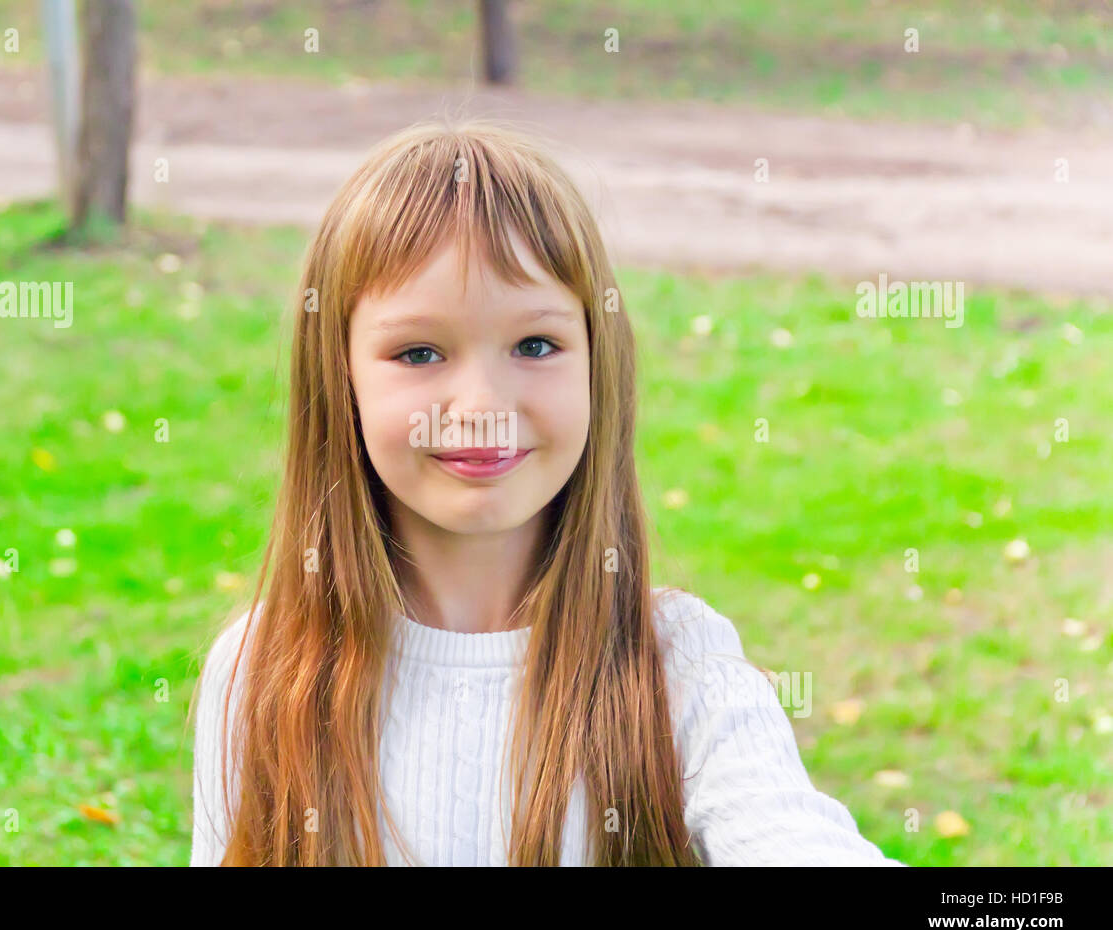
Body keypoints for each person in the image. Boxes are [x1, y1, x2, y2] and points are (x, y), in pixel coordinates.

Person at [190, 119, 906, 866]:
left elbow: (791, 837)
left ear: (599, 364)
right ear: (340, 381)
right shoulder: (259, 672)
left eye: (535, 345)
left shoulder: (676, 669)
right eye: (418, 352)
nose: (482, 404)